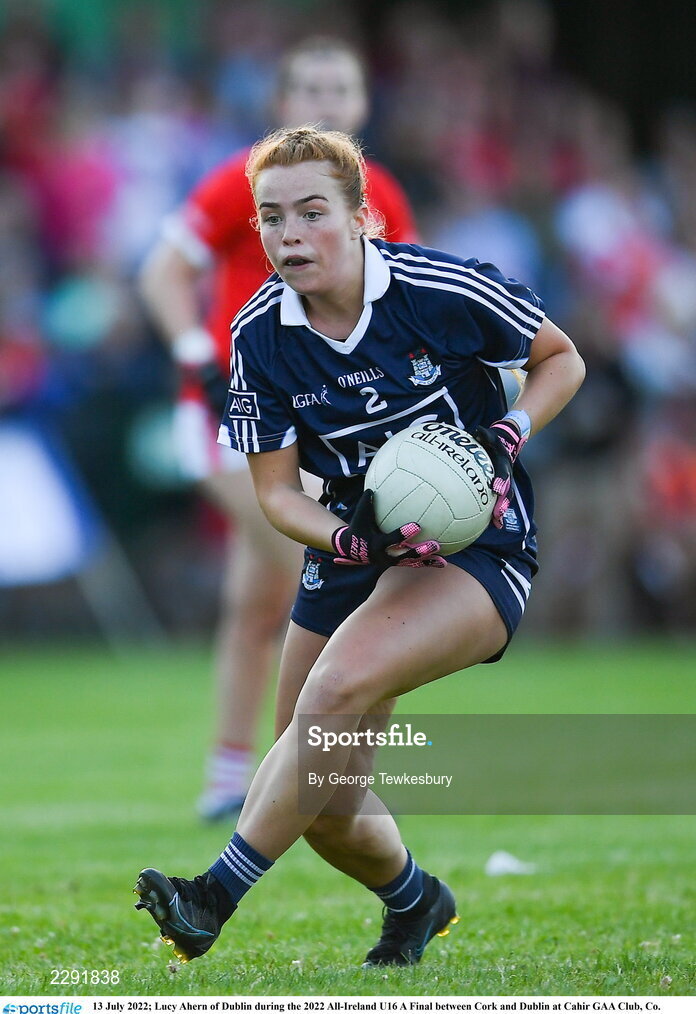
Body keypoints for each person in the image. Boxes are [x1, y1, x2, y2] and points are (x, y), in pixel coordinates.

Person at [134, 126, 585, 967]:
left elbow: (562, 360)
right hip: (352, 546)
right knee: (322, 794)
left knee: (331, 692)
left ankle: (211, 897)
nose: (290, 234)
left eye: (312, 213)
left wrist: (505, 434)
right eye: (272, 219)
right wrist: (349, 536)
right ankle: (416, 901)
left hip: (474, 547)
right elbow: (275, 495)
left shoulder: (438, 290)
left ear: (363, 219)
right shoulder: (257, 335)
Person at [138, 37, 418, 821]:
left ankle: (232, 776)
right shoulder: (249, 179)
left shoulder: (383, 196)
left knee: (259, 603)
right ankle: (314, 775)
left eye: (343, 88)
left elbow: (404, 307)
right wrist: (199, 351)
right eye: (311, 89)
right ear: (283, 104)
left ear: (364, 105)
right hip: (230, 416)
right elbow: (162, 269)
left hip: (315, 428)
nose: (327, 103)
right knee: (317, 572)